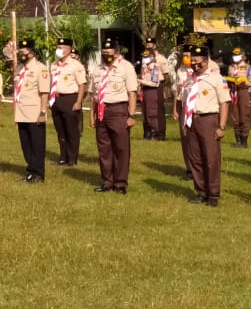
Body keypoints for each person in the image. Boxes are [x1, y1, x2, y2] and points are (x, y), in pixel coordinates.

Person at [180, 45, 229, 206]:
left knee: (211, 158)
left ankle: (213, 194)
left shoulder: (216, 78)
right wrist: (185, 123)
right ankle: (200, 191)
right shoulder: (189, 79)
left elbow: (224, 103)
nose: (194, 64)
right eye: (192, 61)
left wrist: (221, 126)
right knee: (195, 158)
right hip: (192, 120)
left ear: (206, 62)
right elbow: (185, 101)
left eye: (198, 61)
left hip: (209, 119)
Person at [90, 38, 139, 193]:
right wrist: (92, 115)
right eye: (103, 53)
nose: (106, 56)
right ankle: (107, 181)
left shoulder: (126, 67)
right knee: (104, 147)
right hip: (101, 111)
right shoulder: (98, 69)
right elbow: (93, 95)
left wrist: (131, 115)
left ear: (117, 53)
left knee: (121, 148)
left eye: (109, 53)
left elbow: (132, 93)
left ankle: (120, 183)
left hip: (118, 110)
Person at [12, 38, 50, 183]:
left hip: (35, 113)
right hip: (21, 112)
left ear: (31, 53)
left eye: (24, 52)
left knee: (37, 145)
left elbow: (44, 92)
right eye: (20, 51)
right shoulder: (20, 68)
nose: (21, 54)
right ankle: (30, 171)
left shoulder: (40, 69)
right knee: (26, 144)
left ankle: (38, 174)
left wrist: (42, 112)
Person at [49, 37, 87, 166]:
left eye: (61, 48)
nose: (58, 50)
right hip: (56, 99)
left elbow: (82, 84)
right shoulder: (54, 65)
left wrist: (78, 102)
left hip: (70, 98)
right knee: (60, 130)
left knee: (72, 131)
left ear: (69, 50)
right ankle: (63, 156)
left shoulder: (76, 65)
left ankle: (72, 158)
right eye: (58, 47)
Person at [138, 40, 172, 141]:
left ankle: (157, 132)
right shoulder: (145, 63)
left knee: (155, 110)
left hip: (154, 88)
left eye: (147, 57)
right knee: (146, 110)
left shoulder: (158, 62)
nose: (145, 59)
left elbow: (163, 77)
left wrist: (140, 80)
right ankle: (147, 132)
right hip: (145, 87)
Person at [225, 47, 251, 148]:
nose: (235, 57)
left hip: (243, 91)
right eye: (234, 55)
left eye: (238, 55)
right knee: (235, 117)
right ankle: (237, 141)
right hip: (233, 92)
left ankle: (244, 142)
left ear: (242, 56)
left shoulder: (248, 67)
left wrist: (243, 80)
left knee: (243, 116)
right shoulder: (230, 67)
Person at [172, 48, 195, 176]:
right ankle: (189, 168)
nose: (185, 58)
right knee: (184, 136)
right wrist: (174, 108)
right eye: (184, 55)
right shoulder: (180, 70)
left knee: (194, 136)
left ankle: (197, 166)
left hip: (193, 106)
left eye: (188, 55)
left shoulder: (197, 71)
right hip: (182, 105)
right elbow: (177, 89)